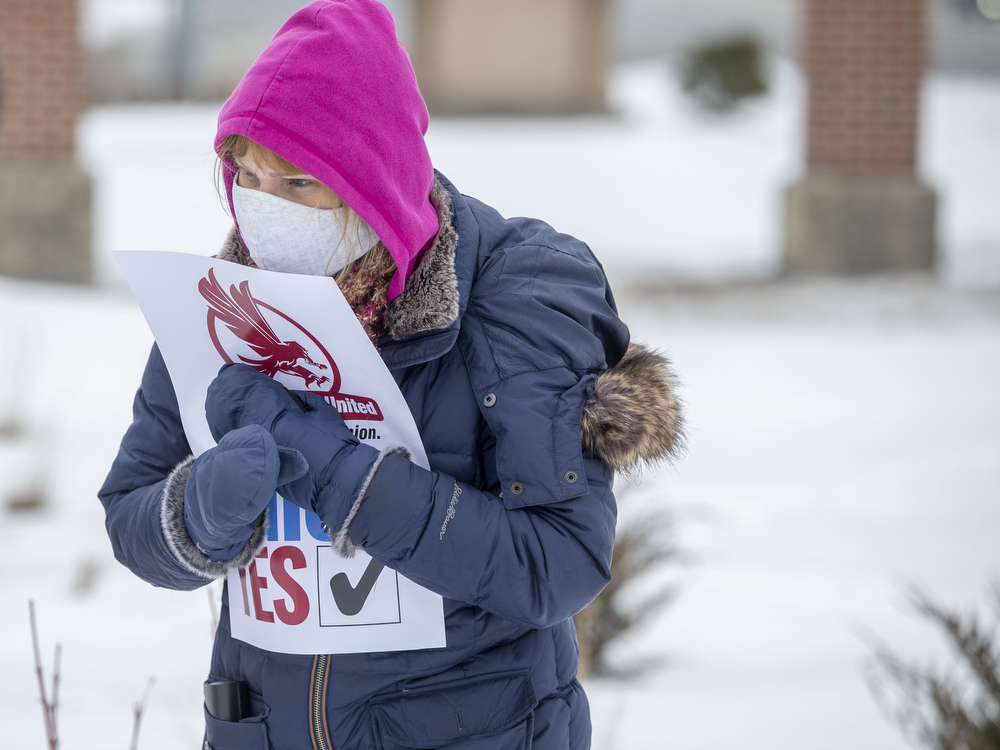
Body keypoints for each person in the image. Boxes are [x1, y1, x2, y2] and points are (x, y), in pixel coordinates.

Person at [99, 1, 684, 748]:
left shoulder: (517, 294)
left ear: (370, 185)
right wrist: (194, 516)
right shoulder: (225, 299)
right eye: (245, 175)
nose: (262, 210)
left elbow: (557, 562)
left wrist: (341, 477)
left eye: (298, 183)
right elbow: (130, 511)